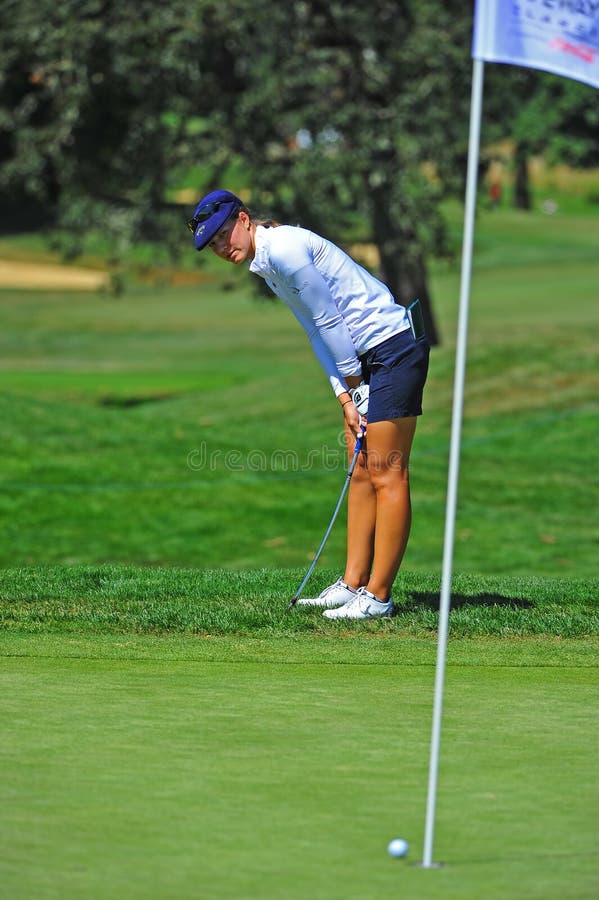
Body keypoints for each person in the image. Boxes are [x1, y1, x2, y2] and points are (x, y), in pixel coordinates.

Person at [187, 189, 430, 619]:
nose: (223, 248)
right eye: (214, 246)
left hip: (392, 347)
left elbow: (331, 319)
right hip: (361, 358)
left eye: (225, 235)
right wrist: (344, 396)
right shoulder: (266, 264)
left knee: (387, 471)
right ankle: (351, 584)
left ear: (243, 220)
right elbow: (314, 330)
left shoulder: (285, 248)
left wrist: (356, 385)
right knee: (359, 469)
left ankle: (378, 596)